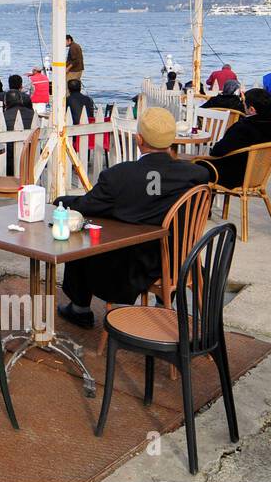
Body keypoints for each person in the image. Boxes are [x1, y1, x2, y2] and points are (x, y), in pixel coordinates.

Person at [54, 108, 212, 328]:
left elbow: (87, 206)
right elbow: (158, 193)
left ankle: (80, 308)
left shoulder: (118, 176)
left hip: (130, 265)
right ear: (171, 140)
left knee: (84, 235)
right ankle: (163, 305)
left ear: (139, 140)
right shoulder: (196, 175)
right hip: (180, 257)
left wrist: (61, 200)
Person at [204, 87, 271, 190]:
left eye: (244, 104)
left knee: (196, 169)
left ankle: (198, 206)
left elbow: (217, 152)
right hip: (258, 176)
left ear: (251, 109)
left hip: (234, 177)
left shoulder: (243, 127)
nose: (242, 106)